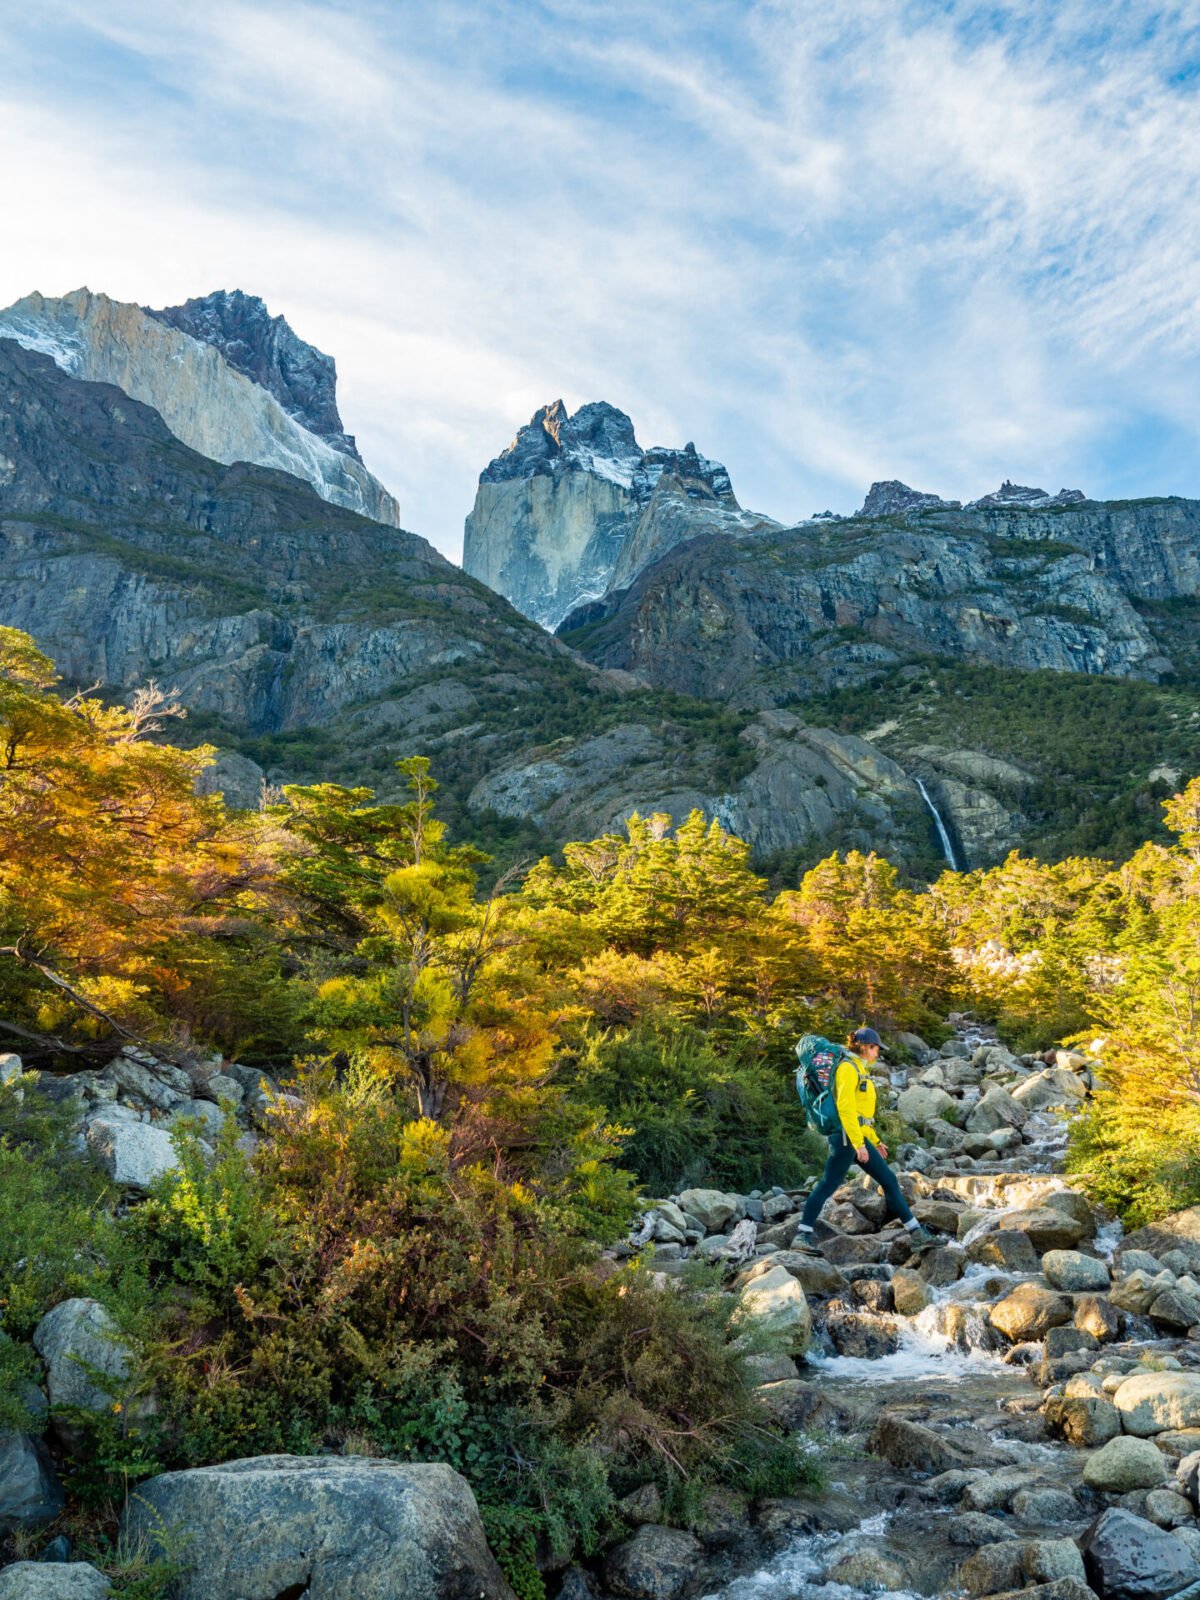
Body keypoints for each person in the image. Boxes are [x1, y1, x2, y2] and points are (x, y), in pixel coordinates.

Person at [795, 1027, 934, 1252]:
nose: (878, 1053)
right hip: (846, 1138)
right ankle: (802, 1236)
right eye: (876, 1049)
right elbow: (846, 1109)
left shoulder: (859, 1069)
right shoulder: (847, 1069)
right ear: (866, 1047)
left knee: (888, 1180)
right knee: (827, 1185)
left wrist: (874, 1140)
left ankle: (917, 1234)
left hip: (854, 1137)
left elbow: (861, 1116)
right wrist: (858, 1145)